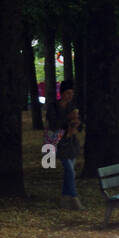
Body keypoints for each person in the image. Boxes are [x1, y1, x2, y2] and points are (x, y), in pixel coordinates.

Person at [45, 81, 84, 210]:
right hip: (58, 142)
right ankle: (74, 197)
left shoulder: (73, 106)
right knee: (69, 170)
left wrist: (77, 124)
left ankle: (64, 198)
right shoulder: (53, 107)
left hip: (71, 142)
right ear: (62, 93)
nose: (70, 96)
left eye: (72, 93)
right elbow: (54, 125)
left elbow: (80, 125)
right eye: (68, 93)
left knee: (70, 172)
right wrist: (68, 117)